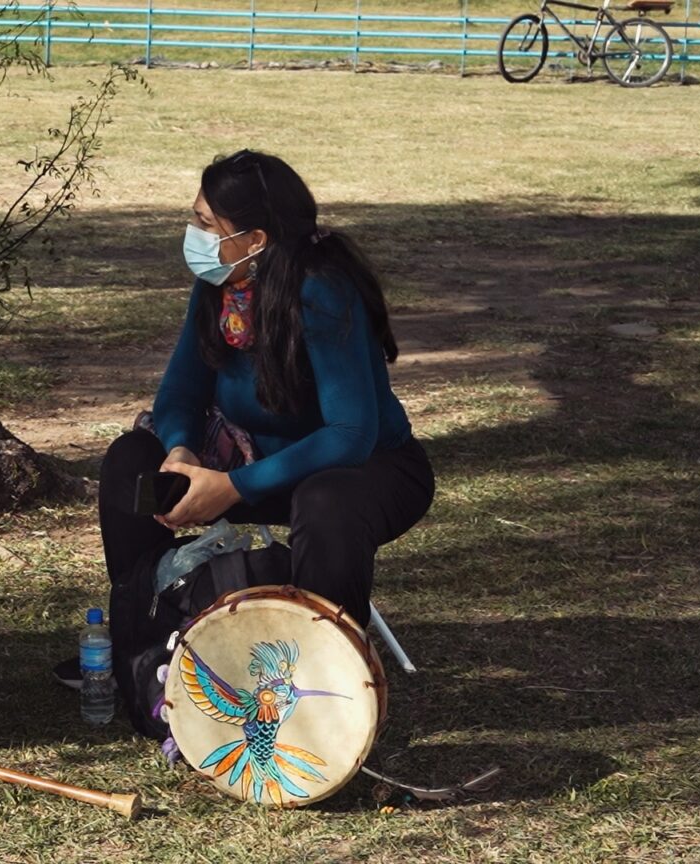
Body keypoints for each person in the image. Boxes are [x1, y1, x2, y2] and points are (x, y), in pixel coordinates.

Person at [71, 150, 433, 691]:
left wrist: (233, 487)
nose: (192, 234)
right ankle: (145, 652)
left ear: (255, 239)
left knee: (325, 501)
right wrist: (181, 453)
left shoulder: (322, 292)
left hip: (368, 473)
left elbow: (351, 434)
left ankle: (324, 687)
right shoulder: (221, 286)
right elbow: (180, 392)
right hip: (251, 465)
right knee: (131, 463)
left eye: (205, 224)